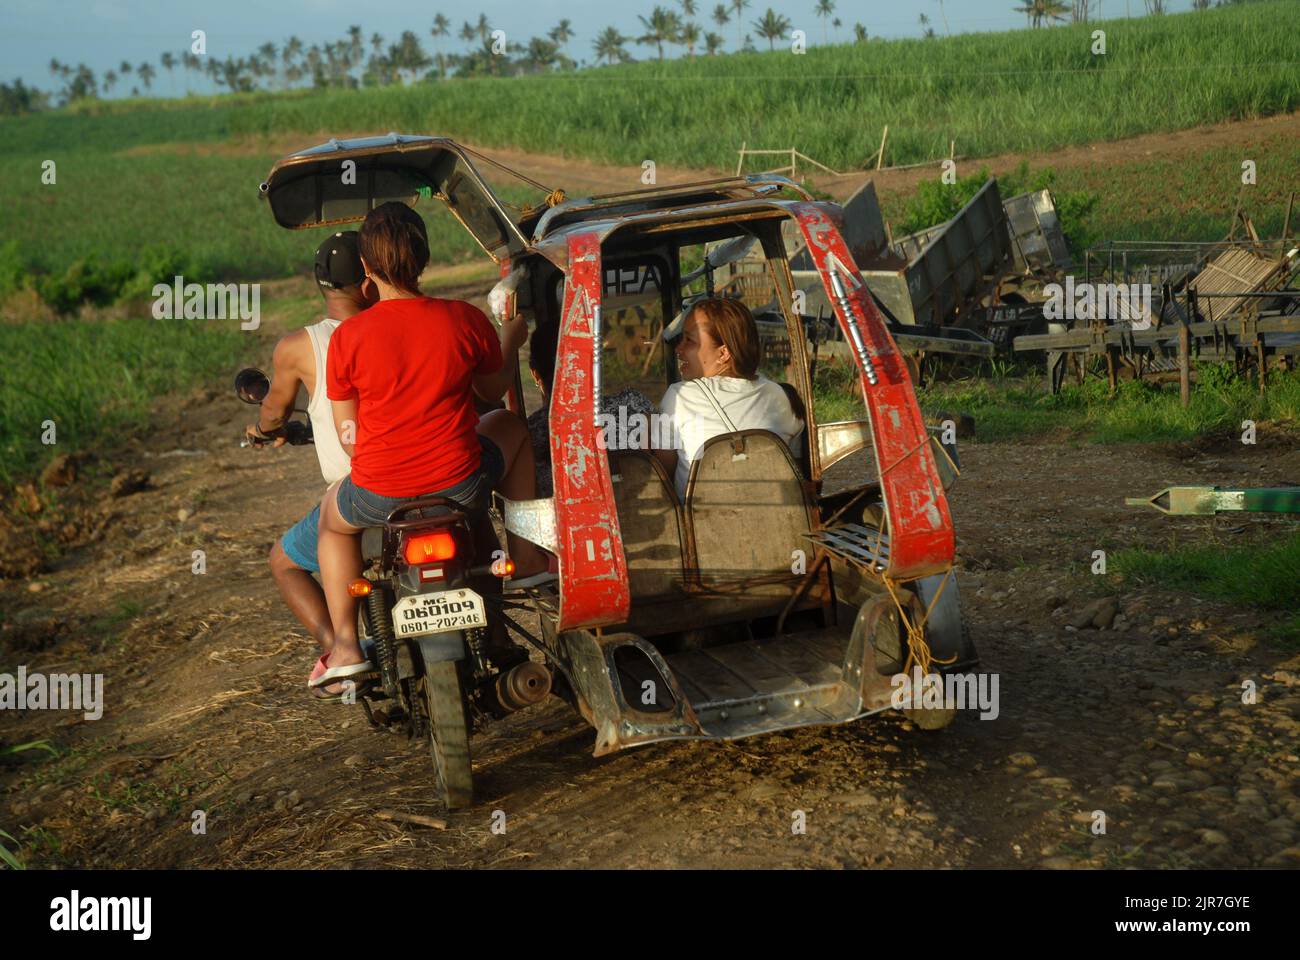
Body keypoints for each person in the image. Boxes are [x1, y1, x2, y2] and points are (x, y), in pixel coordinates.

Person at [311, 202, 547, 697]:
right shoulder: (461, 319)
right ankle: (526, 560)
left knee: (331, 525)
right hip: (462, 487)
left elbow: (347, 433)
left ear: (367, 269)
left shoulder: (348, 338)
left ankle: (348, 647)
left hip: (379, 494)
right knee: (512, 427)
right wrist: (511, 337)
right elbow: (491, 389)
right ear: (423, 258)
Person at [245, 231, 376, 665]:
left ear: (320, 282)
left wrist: (264, 430)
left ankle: (340, 648)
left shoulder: (300, 347)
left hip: (362, 489)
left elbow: (274, 411)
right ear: (371, 278)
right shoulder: (403, 322)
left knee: (283, 560)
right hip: (435, 472)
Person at [653, 298, 804, 499]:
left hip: (701, 527)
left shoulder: (679, 396)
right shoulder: (783, 396)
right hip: (774, 522)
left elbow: (662, 481)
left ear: (723, 353)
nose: (678, 349)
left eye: (689, 340)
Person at [525, 321, 655, 497]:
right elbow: (665, 472)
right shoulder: (633, 406)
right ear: (593, 364)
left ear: (535, 374)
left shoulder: (527, 438)